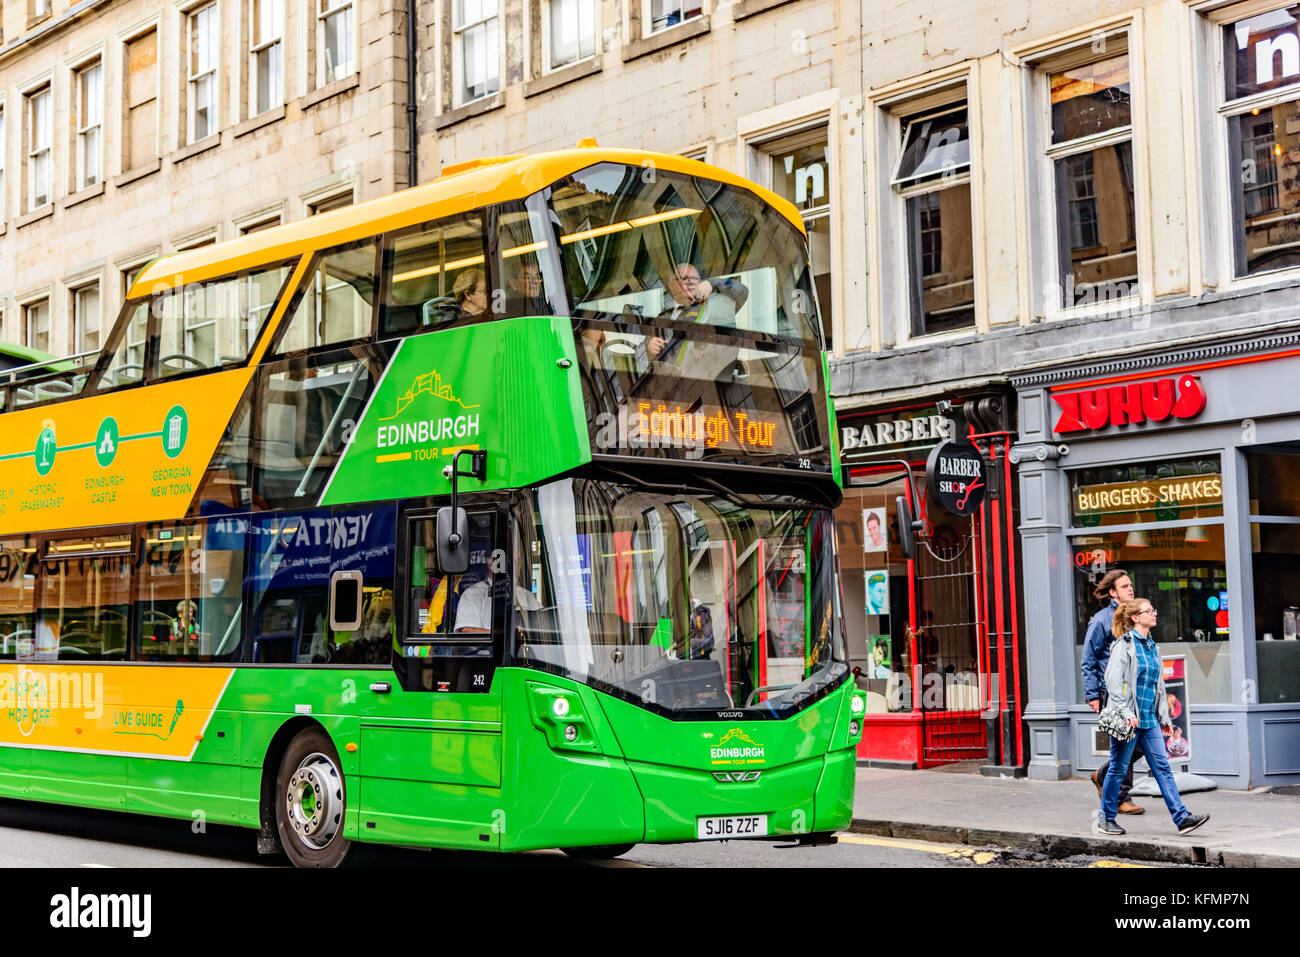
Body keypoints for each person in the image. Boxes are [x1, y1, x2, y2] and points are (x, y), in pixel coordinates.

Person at [1098, 598, 1209, 836]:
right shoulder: (1124, 645)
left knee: (1163, 768)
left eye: (1154, 610)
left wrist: (1164, 717)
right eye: (1149, 611)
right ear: (1135, 618)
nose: (1154, 614)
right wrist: (1126, 713)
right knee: (1118, 768)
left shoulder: (1151, 646)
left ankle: (1182, 818)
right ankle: (1106, 818)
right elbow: (1113, 681)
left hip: (1148, 720)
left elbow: (1158, 685)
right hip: (1129, 720)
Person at [1082, 569, 1144, 815]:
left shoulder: (1137, 616)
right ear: (1112, 592)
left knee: (1140, 743)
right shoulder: (1101, 620)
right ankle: (1120, 798)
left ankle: (1103, 774)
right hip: (1113, 693)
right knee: (1125, 741)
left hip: (1137, 692)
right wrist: (1092, 695)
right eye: (1125, 586)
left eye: (1131, 585)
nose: (1131, 589)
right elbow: (1088, 659)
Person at [647, 263, 750, 360]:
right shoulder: (661, 317)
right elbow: (640, 355)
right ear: (671, 285)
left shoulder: (712, 306)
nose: (690, 282)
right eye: (684, 278)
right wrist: (649, 348)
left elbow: (742, 292)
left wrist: (711, 283)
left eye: (695, 278)